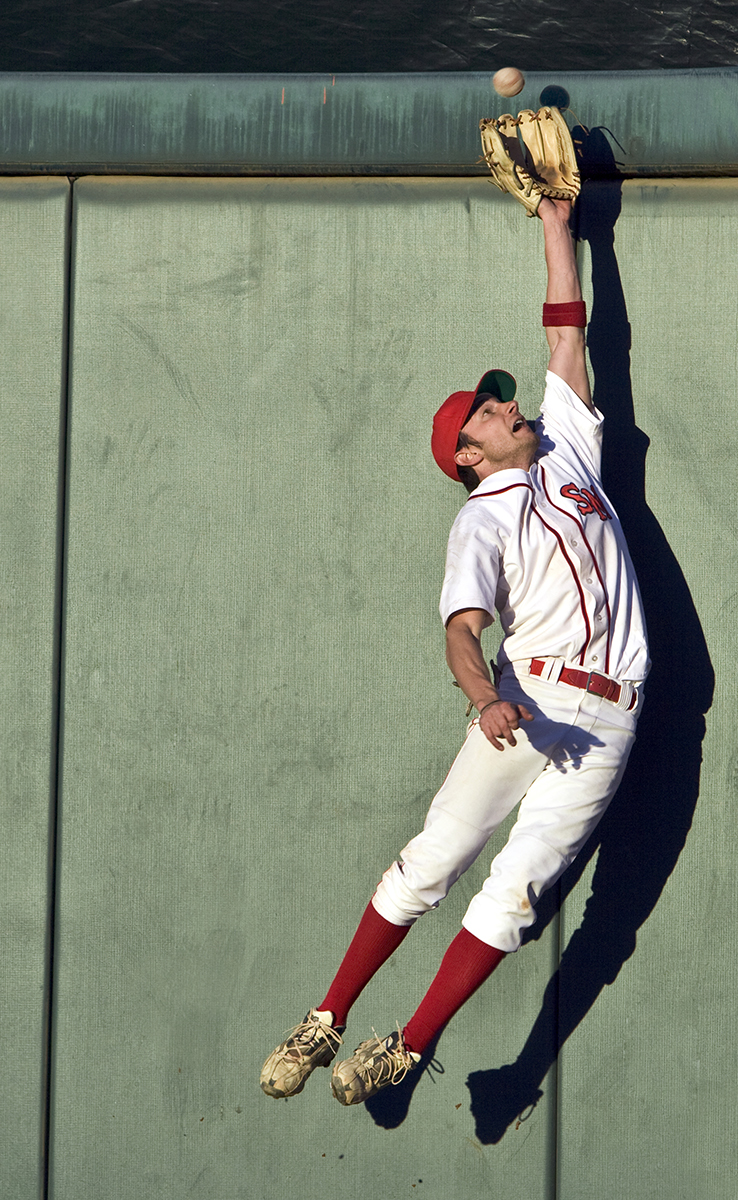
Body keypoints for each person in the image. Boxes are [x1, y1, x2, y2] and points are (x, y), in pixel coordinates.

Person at [261, 195, 649, 1106]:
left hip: (609, 720)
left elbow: (566, 335)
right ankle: (326, 1020)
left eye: (498, 399)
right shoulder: (479, 520)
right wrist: (483, 698)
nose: (507, 403)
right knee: (434, 858)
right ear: (467, 454)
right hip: (527, 705)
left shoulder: (567, 455)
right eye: (486, 409)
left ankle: (409, 1045)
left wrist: (559, 225)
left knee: (514, 898)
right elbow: (461, 632)